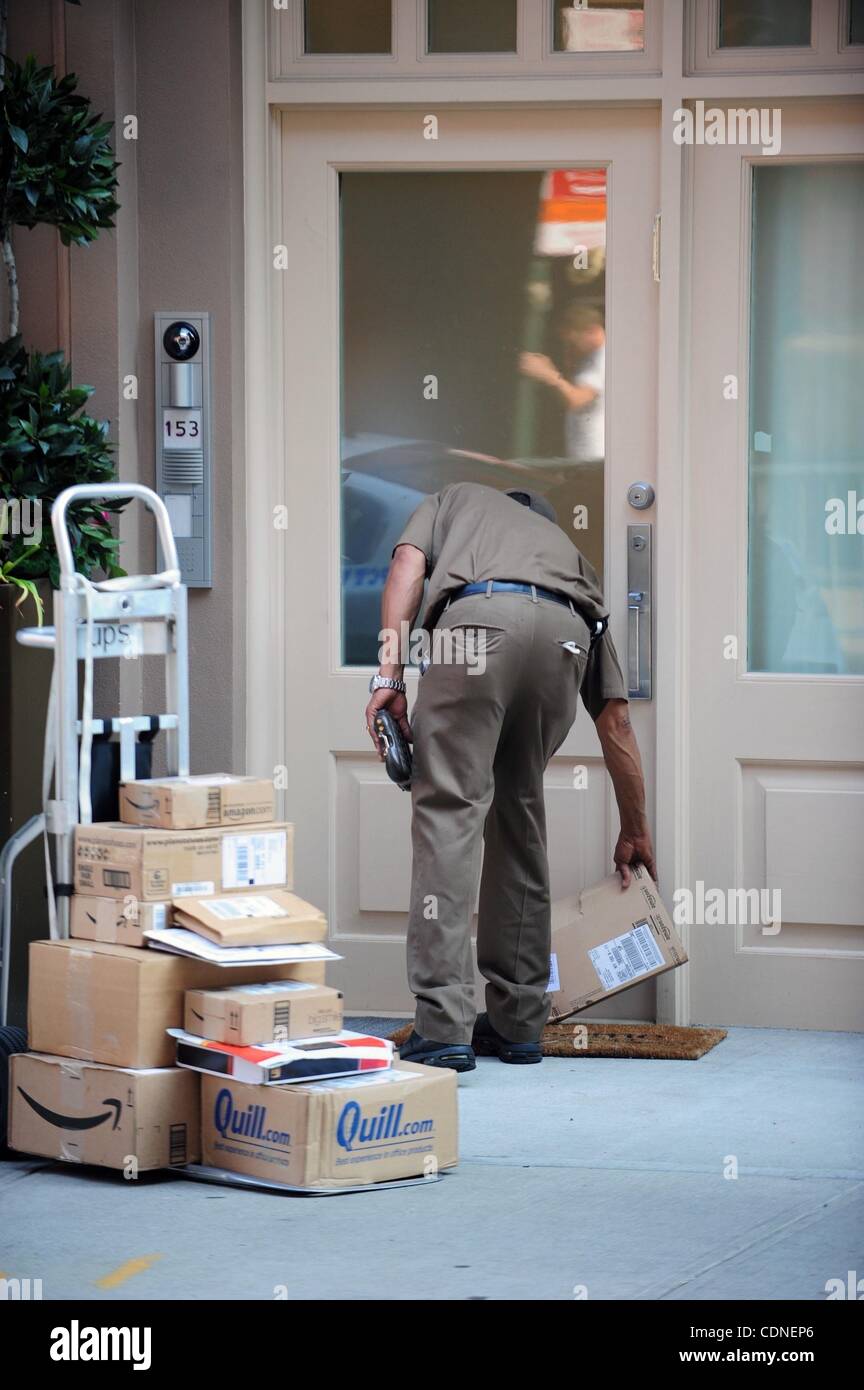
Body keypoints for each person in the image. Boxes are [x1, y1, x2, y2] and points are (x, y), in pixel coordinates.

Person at [364, 482, 656, 1074]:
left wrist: (388, 676)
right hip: (564, 639)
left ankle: (443, 1024)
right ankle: (519, 1023)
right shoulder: (569, 561)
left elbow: (406, 565)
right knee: (519, 812)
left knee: (450, 809)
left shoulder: (452, 500)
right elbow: (617, 721)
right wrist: (634, 828)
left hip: (476, 631)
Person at [519, 302, 606, 463]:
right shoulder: (591, 359)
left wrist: (549, 375)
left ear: (592, 331)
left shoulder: (604, 358)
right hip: (584, 461)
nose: (569, 349)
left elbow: (577, 400)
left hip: (596, 462)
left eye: (572, 343)